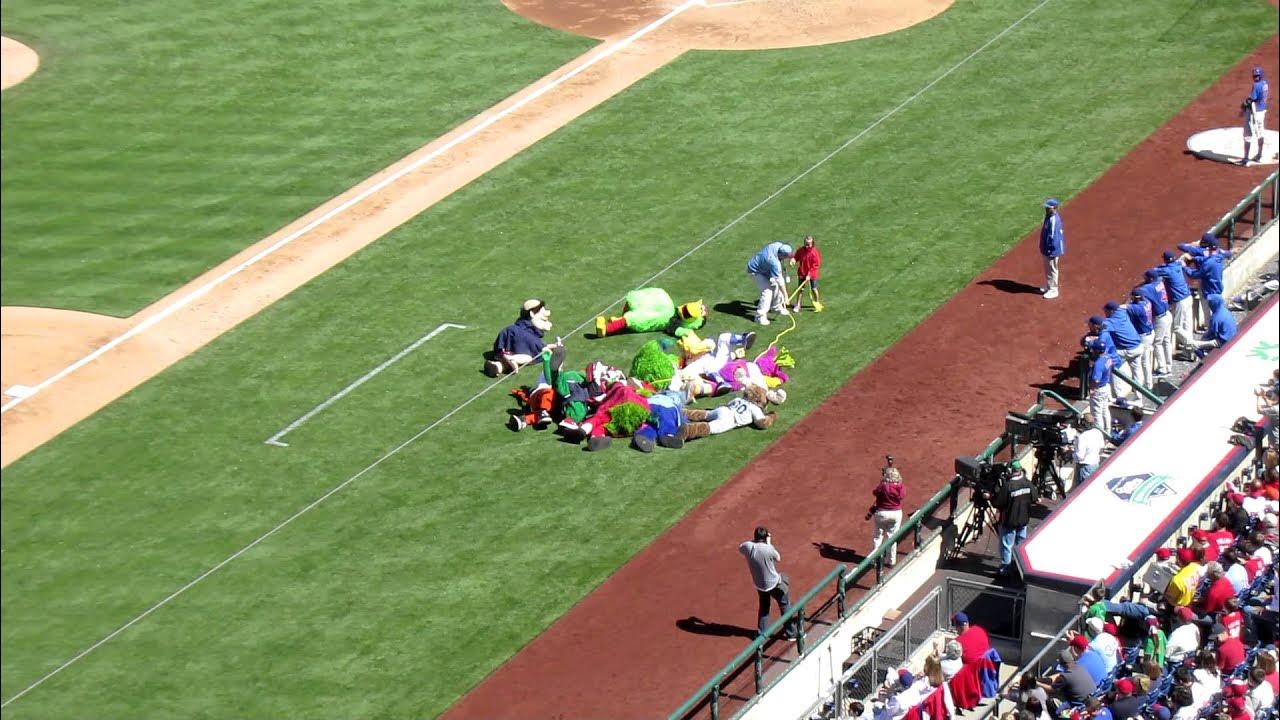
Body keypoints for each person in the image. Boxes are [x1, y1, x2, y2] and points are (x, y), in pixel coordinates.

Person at [738, 526, 797, 639]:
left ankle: (763, 633)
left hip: (759, 585)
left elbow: (741, 547)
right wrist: (769, 543)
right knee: (785, 604)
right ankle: (791, 633)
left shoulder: (748, 546)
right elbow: (778, 558)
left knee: (764, 607)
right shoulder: (768, 549)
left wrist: (755, 541)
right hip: (774, 583)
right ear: (765, 537)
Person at [484, 299, 555, 376]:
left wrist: (551, 346)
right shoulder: (527, 334)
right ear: (531, 314)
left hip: (508, 334)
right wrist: (549, 349)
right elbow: (541, 348)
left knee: (515, 356)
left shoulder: (515, 327)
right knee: (528, 357)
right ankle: (512, 358)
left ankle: (498, 365)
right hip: (520, 337)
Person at [993, 462, 1036, 577]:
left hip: (1009, 521)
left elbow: (998, 503)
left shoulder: (1008, 486)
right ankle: (1021, 567)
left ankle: (1005, 570)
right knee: (1021, 545)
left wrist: (991, 496)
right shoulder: (1027, 483)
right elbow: (1035, 497)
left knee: (1007, 546)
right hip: (1023, 521)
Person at [1154, 251, 1195, 354]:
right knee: (1187, 325)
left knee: (1177, 328)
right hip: (1188, 297)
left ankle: (1193, 345)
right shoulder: (1178, 264)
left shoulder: (1166, 271)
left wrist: (1160, 267)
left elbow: (1152, 272)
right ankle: (1188, 351)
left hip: (1180, 301)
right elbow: (1179, 261)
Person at [1136, 271, 1173, 379]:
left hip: (1161, 319)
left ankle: (1162, 369)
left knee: (1157, 342)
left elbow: (1138, 293)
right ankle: (1168, 366)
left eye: (1146, 277)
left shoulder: (1148, 288)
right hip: (1168, 315)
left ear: (1151, 279)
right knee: (1166, 341)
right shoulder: (1159, 283)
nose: (1145, 279)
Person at [746, 241, 793, 326]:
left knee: (775, 286)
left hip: (765, 269)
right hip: (755, 271)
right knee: (767, 291)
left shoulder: (778, 245)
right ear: (782, 255)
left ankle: (776, 307)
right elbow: (780, 281)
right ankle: (759, 317)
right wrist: (786, 297)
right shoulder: (774, 262)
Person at [867, 465, 906, 567]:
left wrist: (882, 483)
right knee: (892, 537)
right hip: (896, 514)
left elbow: (875, 492)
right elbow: (902, 495)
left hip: (882, 514)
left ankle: (874, 560)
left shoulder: (883, 486)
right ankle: (891, 561)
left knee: (878, 537)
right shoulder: (900, 486)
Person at [1086, 339, 1117, 436]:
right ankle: (1107, 432)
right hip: (1106, 387)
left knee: (1097, 414)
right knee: (1105, 411)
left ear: (1097, 351)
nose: (1092, 351)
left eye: (1093, 349)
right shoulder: (1108, 357)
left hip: (1098, 390)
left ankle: (1100, 435)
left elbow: (1096, 380)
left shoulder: (1098, 364)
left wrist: (1092, 389)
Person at [789, 235, 824, 313]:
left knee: (814, 289)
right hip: (802, 272)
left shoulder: (814, 253)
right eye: (805, 243)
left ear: (812, 244)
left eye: (808, 244)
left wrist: (809, 275)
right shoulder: (801, 250)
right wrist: (793, 260)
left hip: (812, 274)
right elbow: (796, 257)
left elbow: (815, 265)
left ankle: (817, 303)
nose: (807, 246)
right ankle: (797, 305)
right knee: (800, 289)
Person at [1241, 67, 1269, 165]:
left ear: (1260, 75)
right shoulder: (1265, 84)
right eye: (1255, 76)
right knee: (1260, 133)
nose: (1256, 78)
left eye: (1257, 76)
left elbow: (1251, 99)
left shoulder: (1256, 85)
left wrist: (1243, 105)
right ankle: (1259, 156)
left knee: (1248, 134)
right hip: (1262, 111)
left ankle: (1246, 160)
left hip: (1254, 112)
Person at [1039, 198, 1065, 299]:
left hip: (1052, 250)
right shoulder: (1049, 216)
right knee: (1048, 268)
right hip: (1047, 248)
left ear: (1054, 208)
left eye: (1048, 208)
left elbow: (1054, 238)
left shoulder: (1054, 220)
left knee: (1052, 269)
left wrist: (1050, 250)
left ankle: (1054, 290)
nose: (1046, 209)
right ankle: (1049, 286)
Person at [1072, 412, 1106, 486]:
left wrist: (1070, 454)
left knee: (1080, 490)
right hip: (1095, 465)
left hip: (1084, 467)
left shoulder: (1082, 437)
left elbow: (1080, 456)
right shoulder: (1098, 432)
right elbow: (1101, 449)